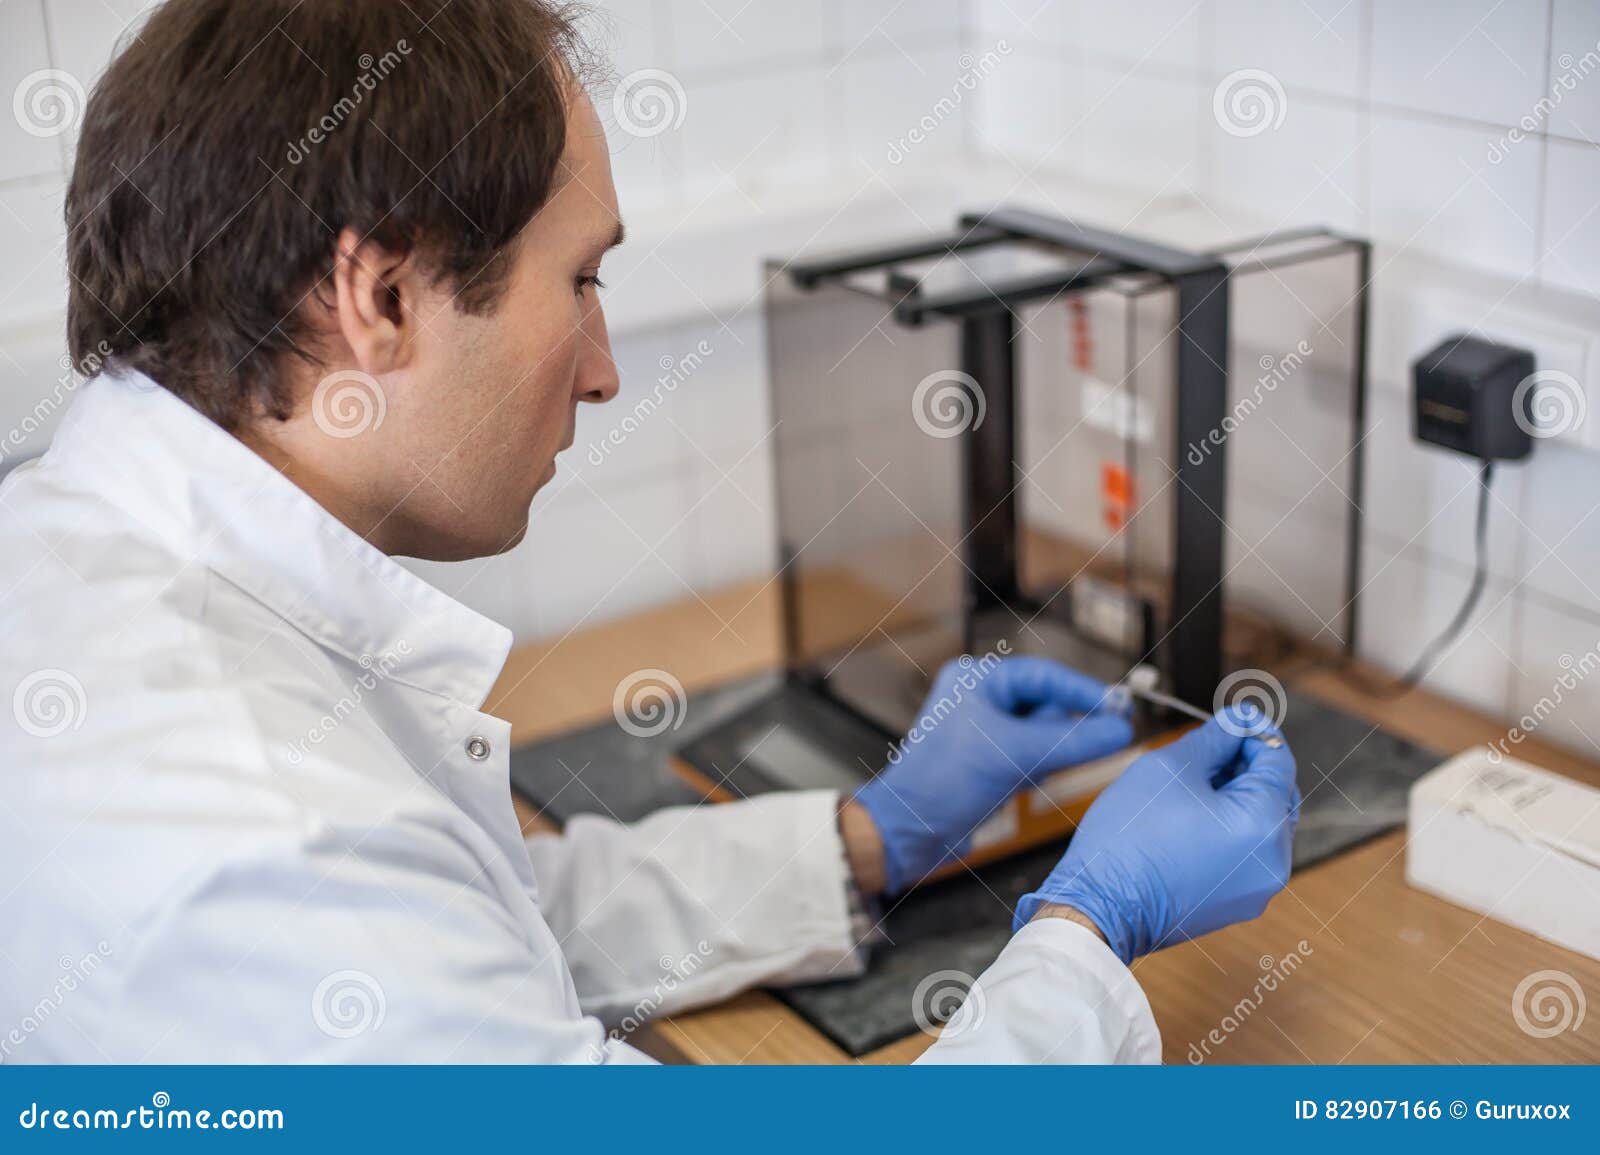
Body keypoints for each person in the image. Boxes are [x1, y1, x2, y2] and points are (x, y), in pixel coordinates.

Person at [0, 0, 1299, 1064]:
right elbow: (378, 919)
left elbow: (477, 915)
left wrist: (873, 833)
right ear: (380, 295)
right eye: (583, 279)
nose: (607, 367)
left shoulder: (83, 553)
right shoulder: (267, 840)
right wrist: (1086, 928)